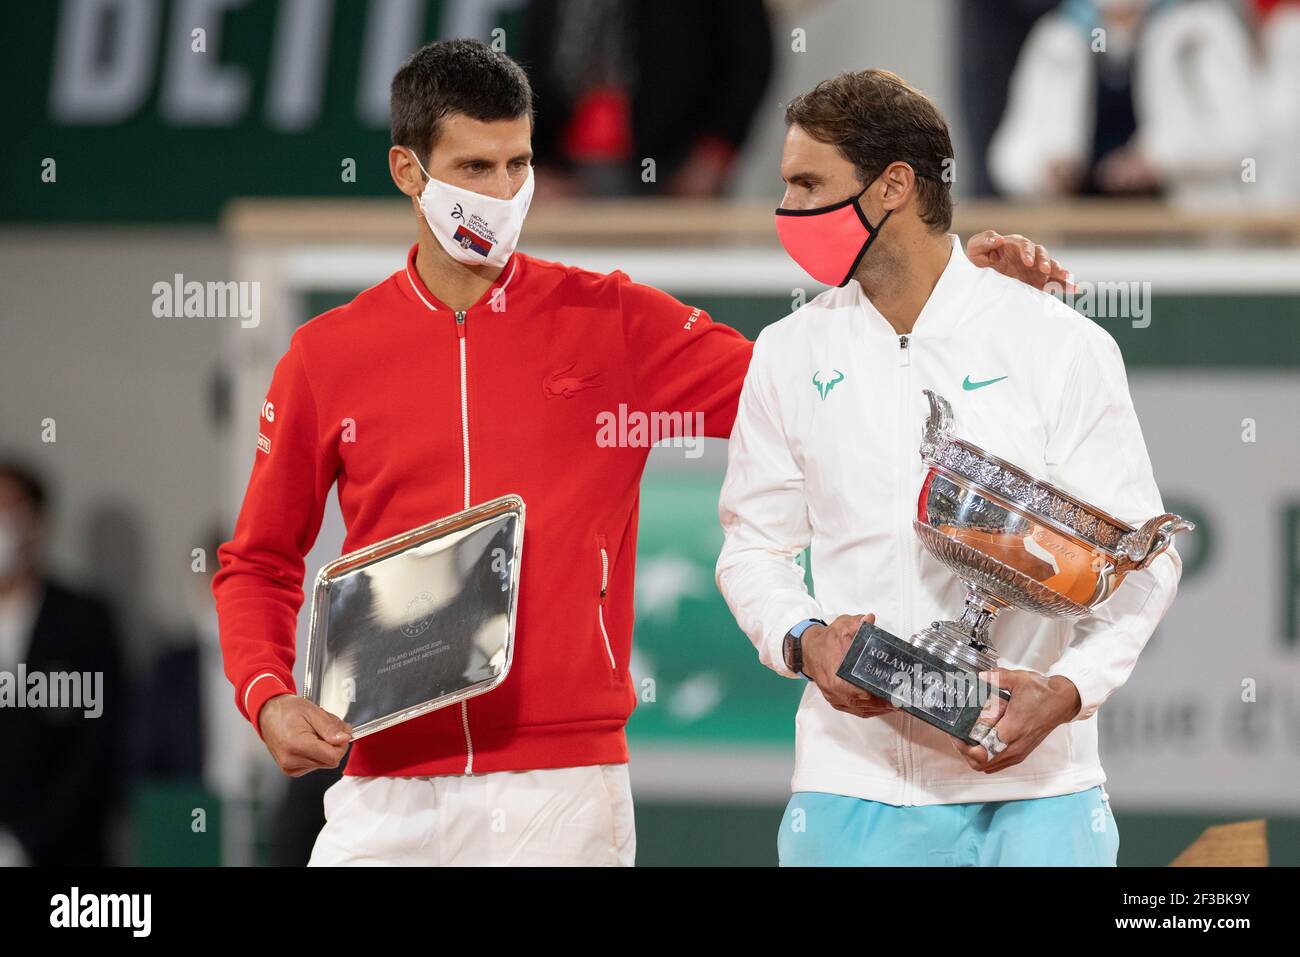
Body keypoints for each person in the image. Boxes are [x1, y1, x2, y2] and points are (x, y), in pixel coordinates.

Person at [214, 39, 1072, 867]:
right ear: (409, 172)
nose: (504, 191)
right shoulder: (327, 357)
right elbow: (257, 560)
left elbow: (814, 385)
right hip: (382, 789)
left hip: (560, 791)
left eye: (519, 164)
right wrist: (266, 693)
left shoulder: (610, 320)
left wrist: (957, 301)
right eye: (476, 169)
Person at [716, 69, 1182, 866]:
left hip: (1039, 796)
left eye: (806, 184)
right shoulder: (787, 353)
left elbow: (1141, 562)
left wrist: (1067, 692)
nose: (786, 212)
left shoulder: (1058, 343)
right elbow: (752, 548)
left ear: (893, 185)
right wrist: (805, 638)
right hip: (846, 792)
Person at [989, 0, 1257, 204]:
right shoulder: (1058, 35)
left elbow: (1247, 136)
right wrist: (1048, 170)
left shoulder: (1200, 29)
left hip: (1186, 233)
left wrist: (1157, 160)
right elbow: (1009, 158)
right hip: (1085, 238)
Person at [0, 458, 125, 866]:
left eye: (8, 511)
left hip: (64, 855)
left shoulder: (82, 621)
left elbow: (97, 746)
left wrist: (25, 842)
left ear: (36, 523)